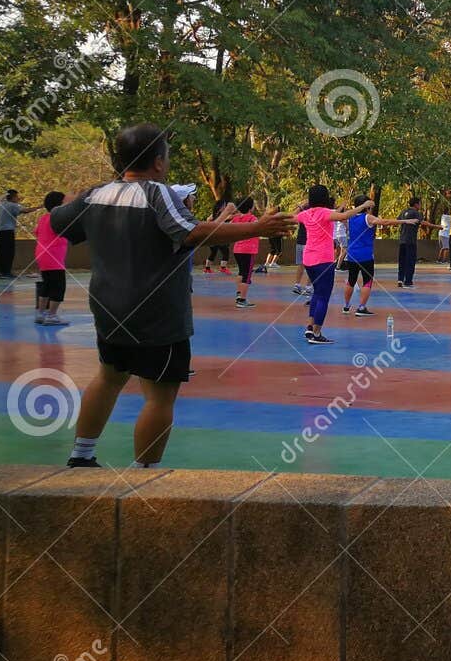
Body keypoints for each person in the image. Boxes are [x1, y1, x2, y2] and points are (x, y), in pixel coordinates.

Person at [50, 124, 292, 468]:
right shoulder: (157, 193)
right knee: (160, 395)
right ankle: (144, 473)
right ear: (159, 163)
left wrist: (84, 198)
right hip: (158, 317)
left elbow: (58, 221)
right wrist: (256, 228)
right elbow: (192, 233)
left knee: (108, 377)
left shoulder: (95, 195)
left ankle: (81, 456)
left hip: (109, 313)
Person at [295, 187, 372, 344]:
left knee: (316, 293)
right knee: (323, 296)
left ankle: (310, 327)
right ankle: (317, 333)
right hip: (323, 260)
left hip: (308, 259)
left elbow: (291, 217)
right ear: (325, 198)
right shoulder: (325, 212)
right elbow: (344, 216)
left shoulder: (306, 214)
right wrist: (363, 207)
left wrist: (301, 206)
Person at [341, 195, 401, 317]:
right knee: (367, 281)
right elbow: (385, 222)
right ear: (367, 207)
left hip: (352, 255)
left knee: (351, 280)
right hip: (365, 255)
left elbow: (341, 220)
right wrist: (405, 221)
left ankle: (346, 306)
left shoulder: (349, 217)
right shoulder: (367, 217)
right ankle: (361, 308)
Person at [33, 191, 70, 326]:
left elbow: (36, 231)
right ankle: (52, 316)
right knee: (59, 287)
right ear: (59, 205)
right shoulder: (58, 219)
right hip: (54, 257)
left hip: (42, 255)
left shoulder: (43, 218)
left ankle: (41, 314)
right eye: (65, 202)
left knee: (47, 285)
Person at [0, 188, 36, 279]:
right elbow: (25, 210)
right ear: (13, 197)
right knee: (9, 252)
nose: (18, 198)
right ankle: (6, 272)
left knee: (2, 251)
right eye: (17, 196)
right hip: (8, 231)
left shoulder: (2, 204)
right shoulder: (12, 205)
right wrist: (39, 207)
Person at [230, 197, 261, 307]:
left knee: (241, 272)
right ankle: (242, 300)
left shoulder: (235, 219)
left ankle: (239, 294)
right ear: (250, 207)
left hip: (237, 249)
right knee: (247, 275)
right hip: (248, 250)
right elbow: (259, 228)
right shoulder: (253, 218)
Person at [395, 198, 427, 287]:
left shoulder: (403, 212)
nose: (420, 206)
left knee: (402, 261)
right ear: (416, 204)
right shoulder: (416, 213)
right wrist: (437, 226)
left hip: (402, 240)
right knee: (410, 261)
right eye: (420, 204)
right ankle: (408, 281)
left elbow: (396, 221)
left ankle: (400, 279)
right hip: (411, 241)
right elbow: (423, 223)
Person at [203, 200, 233, 274]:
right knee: (225, 252)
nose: (225, 207)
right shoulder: (222, 215)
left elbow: (208, 220)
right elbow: (229, 218)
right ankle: (223, 268)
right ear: (221, 207)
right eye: (224, 206)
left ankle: (207, 268)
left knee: (213, 252)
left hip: (212, 237)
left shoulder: (213, 214)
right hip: (219, 237)